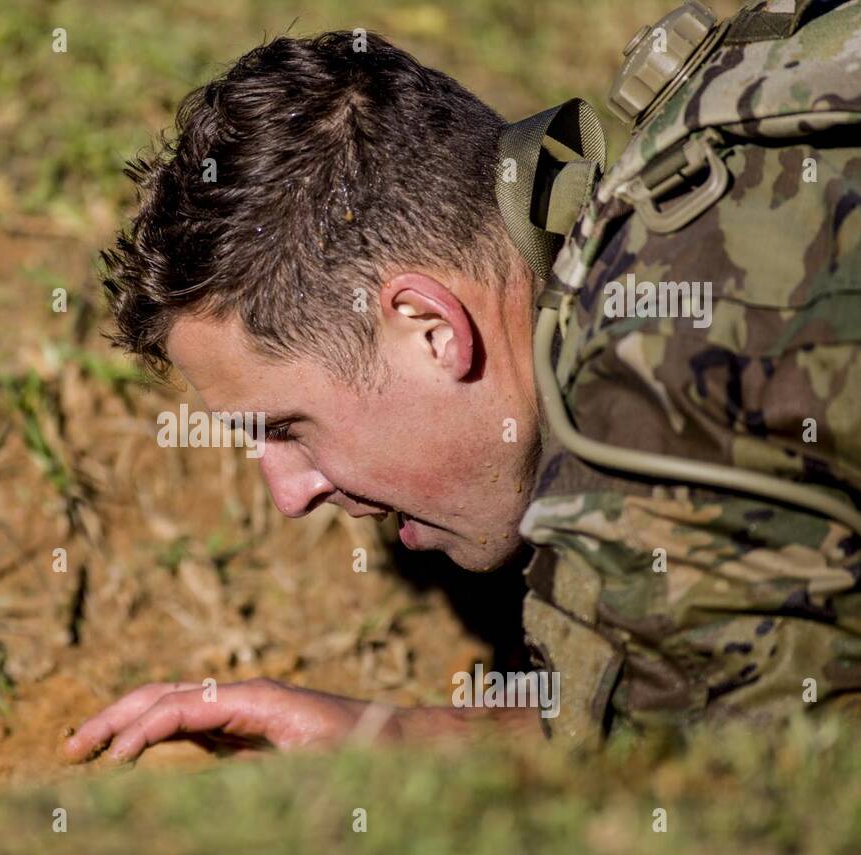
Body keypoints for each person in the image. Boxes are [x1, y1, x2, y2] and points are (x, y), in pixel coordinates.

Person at [65, 4, 861, 765]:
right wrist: (401, 740)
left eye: (287, 427)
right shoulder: (722, 156)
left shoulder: (651, 395)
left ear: (431, 330)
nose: (288, 494)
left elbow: (755, 847)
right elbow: (713, 729)